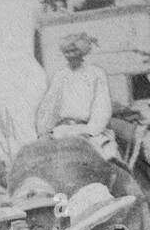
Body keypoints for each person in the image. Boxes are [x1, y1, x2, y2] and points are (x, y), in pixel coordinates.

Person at [34, 32, 116, 160]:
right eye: (67, 52)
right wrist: (44, 130)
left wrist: (91, 130)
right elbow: (50, 104)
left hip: (88, 129)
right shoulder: (60, 76)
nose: (70, 55)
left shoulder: (96, 73)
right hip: (63, 130)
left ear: (82, 51)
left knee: (109, 156)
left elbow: (102, 104)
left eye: (74, 51)